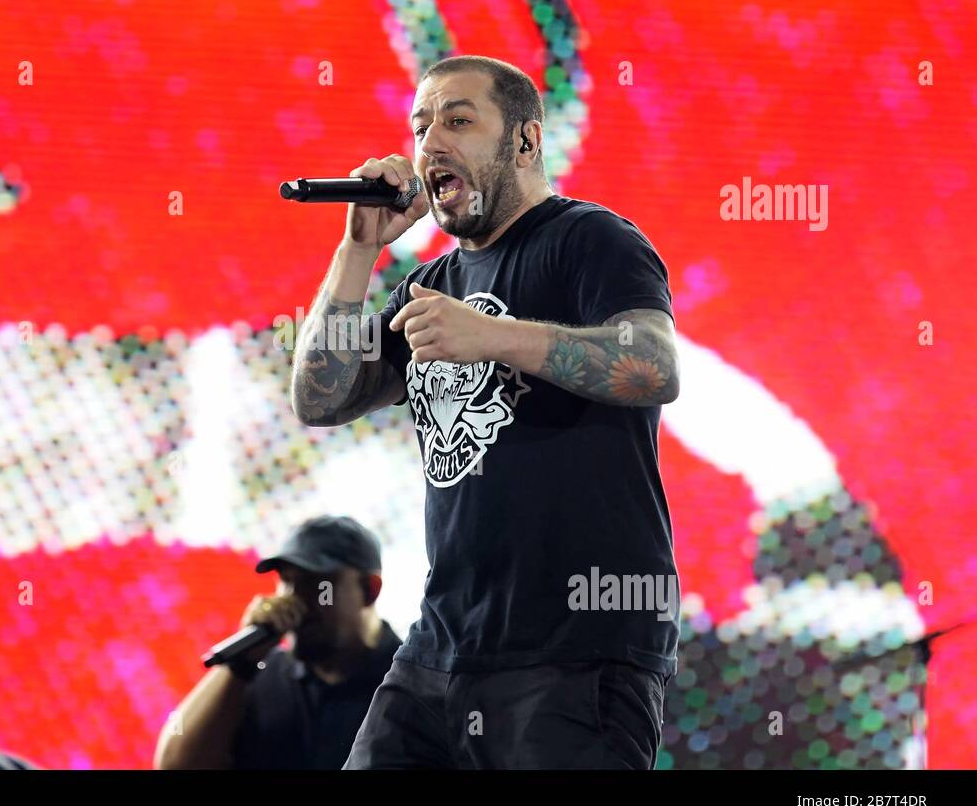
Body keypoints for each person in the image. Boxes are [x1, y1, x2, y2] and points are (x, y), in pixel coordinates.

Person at [289, 54, 681, 769]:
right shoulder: (428, 285)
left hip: (575, 652)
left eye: (458, 120)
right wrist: (358, 250)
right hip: (440, 650)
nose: (431, 142)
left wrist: (491, 337)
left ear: (525, 141)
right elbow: (321, 397)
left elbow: (654, 366)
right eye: (421, 126)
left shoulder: (591, 240)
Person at [153, 516, 402, 769]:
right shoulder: (256, 676)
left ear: (370, 589)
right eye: (287, 581)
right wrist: (240, 664)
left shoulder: (410, 685)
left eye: (316, 584)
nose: (294, 599)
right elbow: (175, 764)